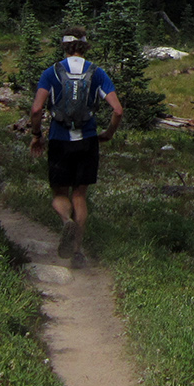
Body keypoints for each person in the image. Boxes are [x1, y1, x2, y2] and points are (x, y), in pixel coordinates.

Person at [29, 26, 123, 269]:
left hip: (59, 140)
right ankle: (77, 252)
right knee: (80, 195)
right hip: (88, 140)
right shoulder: (97, 73)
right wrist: (108, 133)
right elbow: (118, 110)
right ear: (84, 46)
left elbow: (36, 109)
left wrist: (37, 135)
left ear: (64, 46)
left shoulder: (51, 73)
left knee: (60, 194)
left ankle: (64, 220)